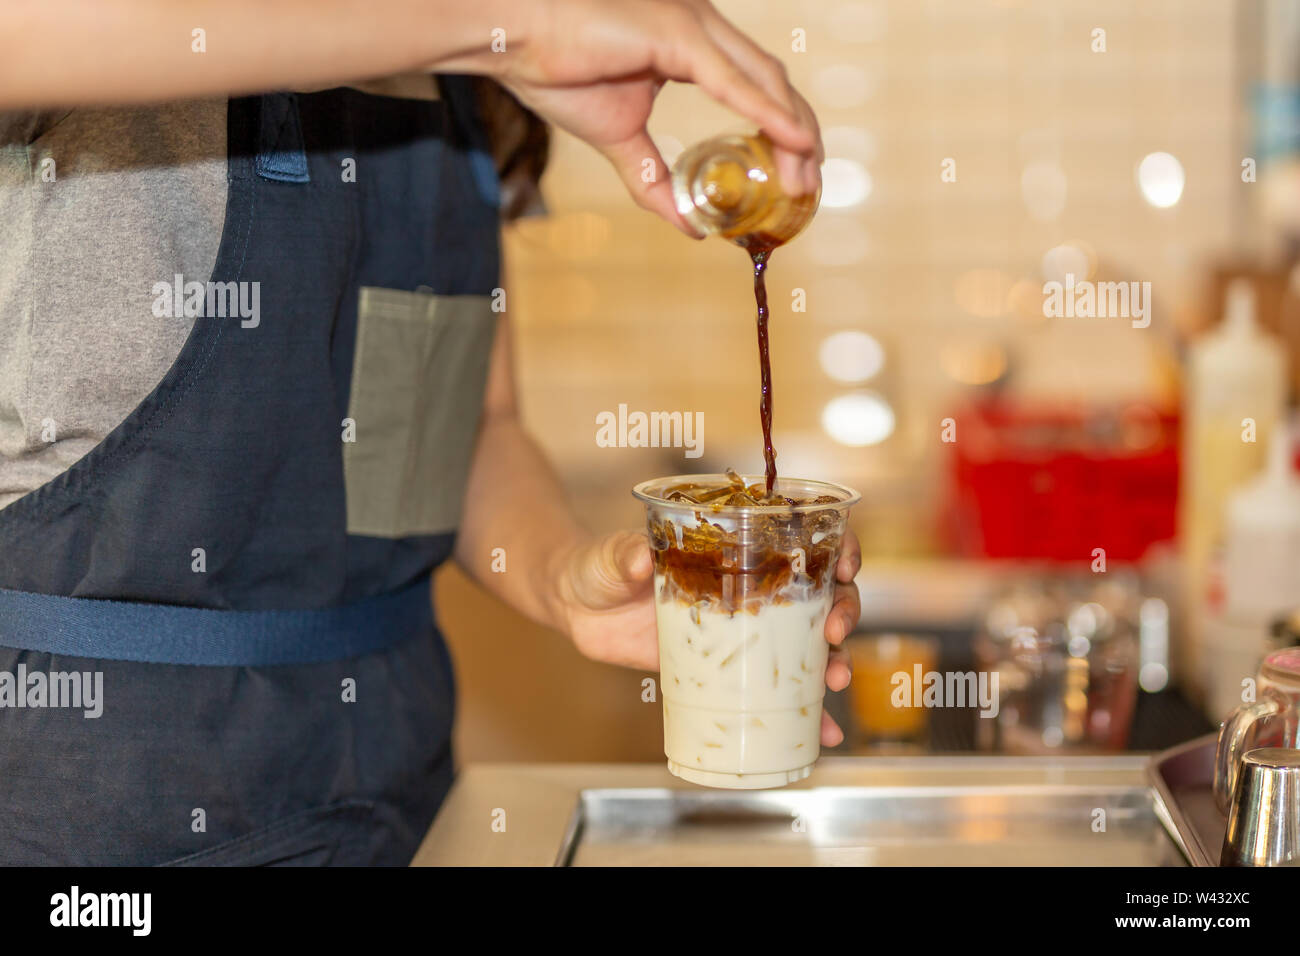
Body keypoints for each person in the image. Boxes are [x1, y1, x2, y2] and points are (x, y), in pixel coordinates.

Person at [0, 0, 859, 865]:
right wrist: (511, 23)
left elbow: (473, 422)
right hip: (95, 798)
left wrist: (567, 581)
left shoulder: (464, 75)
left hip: (395, 792)